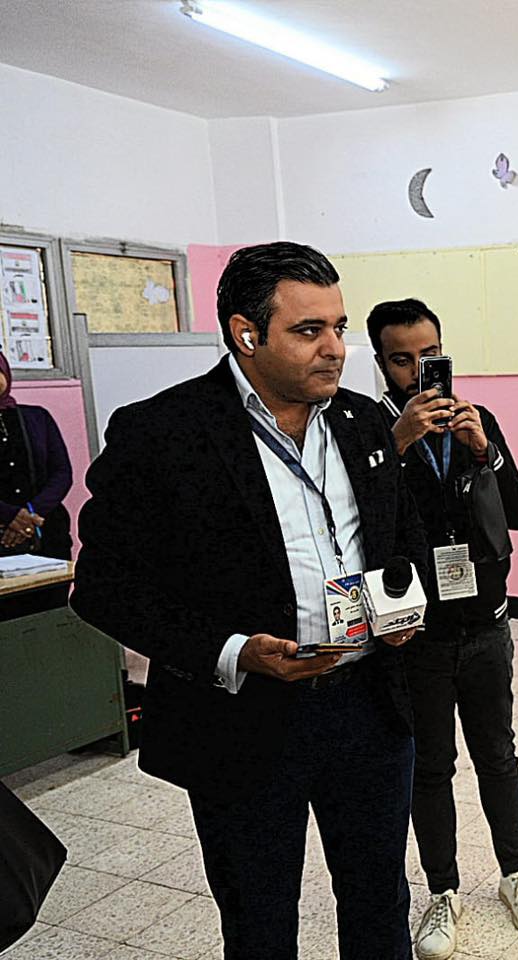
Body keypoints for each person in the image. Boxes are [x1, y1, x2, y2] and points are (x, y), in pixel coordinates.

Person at [70, 242, 429, 959]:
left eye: (339, 326)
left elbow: (402, 541)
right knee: (261, 916)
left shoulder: (362, 425)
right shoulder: (164, 434)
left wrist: (401, 614)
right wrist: (232, 652)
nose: (336, 349)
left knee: (379, 898)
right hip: (244, 720)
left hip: (368, 706)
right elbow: (104, 587)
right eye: (309, 331)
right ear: (245, 334)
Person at [366, 299, 518, 958]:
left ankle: (516, 874)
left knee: (498, 753)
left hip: (487, 623)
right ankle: (442, 890)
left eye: (429, 355)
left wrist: (484, 450)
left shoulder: (479, 419)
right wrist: (397, 446)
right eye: (402, 358)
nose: (418, 371)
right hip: (419, 633)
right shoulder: (367, 432)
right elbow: (356, 520)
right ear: (380, 363)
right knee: (431, 765)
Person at [0, 350, 72, 560]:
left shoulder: (37, 417)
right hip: (2, 537)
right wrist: (10, 516)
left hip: (47, 533)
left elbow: (62, 473)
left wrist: (30, 514)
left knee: (53, 591)